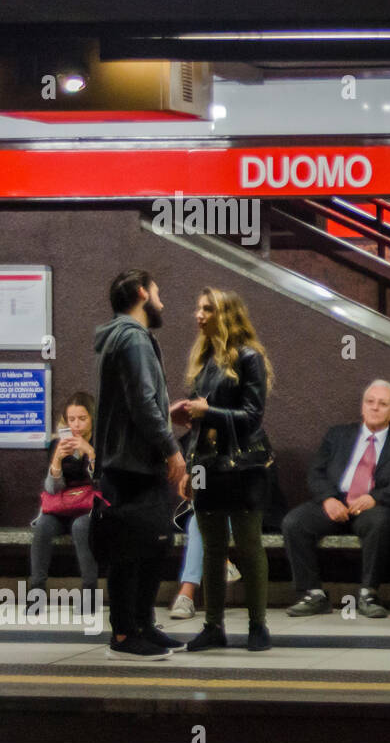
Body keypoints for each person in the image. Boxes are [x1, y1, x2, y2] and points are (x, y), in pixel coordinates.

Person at [92, 269, 188, 660]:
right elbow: (141, 403)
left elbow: (135, 403)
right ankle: (125, 635)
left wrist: (166, 414)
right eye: (159, 293)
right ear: (142, 293)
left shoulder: (118, 337)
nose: (162, 302)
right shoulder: (132, 338)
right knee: (133, 549)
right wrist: (171, 447)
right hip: (133, 465)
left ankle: (143, 625)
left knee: (149, 547)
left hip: (125, 461)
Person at [176, 288, 274, 652]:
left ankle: (257, 626)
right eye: (198, 308)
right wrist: (188, 467)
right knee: (213, 548)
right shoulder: (204, 358)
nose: (198, 315)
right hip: (207, 464)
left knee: (249, 545)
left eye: (207, 309)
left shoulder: (249, 357)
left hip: (244, 463)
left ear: (225, 314)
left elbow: (252, 416)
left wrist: (208, 411)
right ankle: (213, 625)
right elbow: (197, 425)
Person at [282, 381, 390, 618]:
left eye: (382, 404)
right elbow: (316, 472)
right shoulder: (338, 434)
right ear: (362, 407)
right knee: (294, 522)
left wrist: (375, 498)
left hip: (371, 504)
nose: (374, 408)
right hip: (336, 499)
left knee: (381, 523)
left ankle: (368, 593)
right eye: (369, 402)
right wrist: (328, 498)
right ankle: (313, 594)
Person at [29, 392, 99, 601]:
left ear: (92, 418)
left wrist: (92, 454)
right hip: (62, 508)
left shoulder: (101, 442)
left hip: (90, 509)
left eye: (82, 419)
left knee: (81, 526)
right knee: (42, 525)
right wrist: (56, 462)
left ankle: (89, 593)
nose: (76, 425)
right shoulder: (57, 444)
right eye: (72, 419)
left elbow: (104, 483)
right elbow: (51, 490)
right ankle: (37, 591)